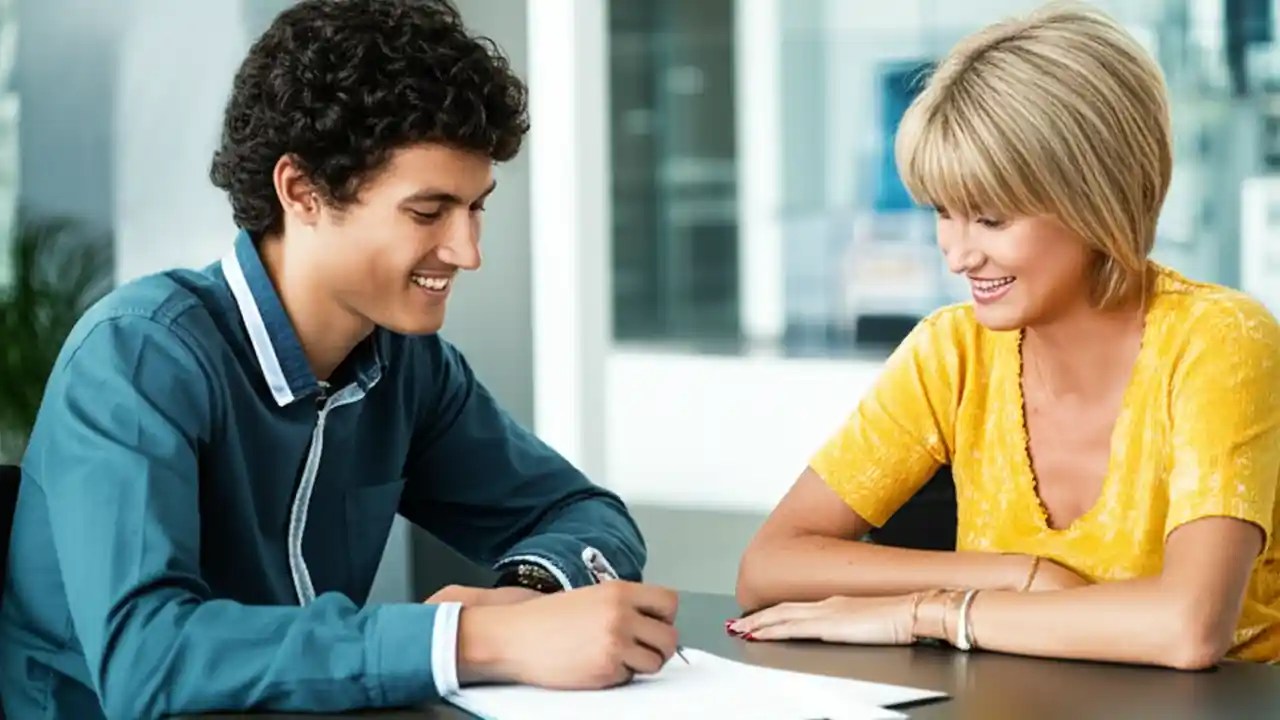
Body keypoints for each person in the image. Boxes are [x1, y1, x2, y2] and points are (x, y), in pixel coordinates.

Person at [0, 1, 680, 718]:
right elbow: (148, 659)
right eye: (428, 212)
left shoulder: (409, 368)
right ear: (302, 192)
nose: (467, 251)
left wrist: (531, 598)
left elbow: (580, 512)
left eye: (476, 207)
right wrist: (470, 640)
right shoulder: (139, 358)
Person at [733, 2, 1280, 669]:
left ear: (1096, 200)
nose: (958, 255)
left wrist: (930, 612)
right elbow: (769, 566)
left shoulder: (1219, 341)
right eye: (944, 212)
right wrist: (1019, 574)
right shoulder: (952, 352)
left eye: (991, 220)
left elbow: (1188, 629)